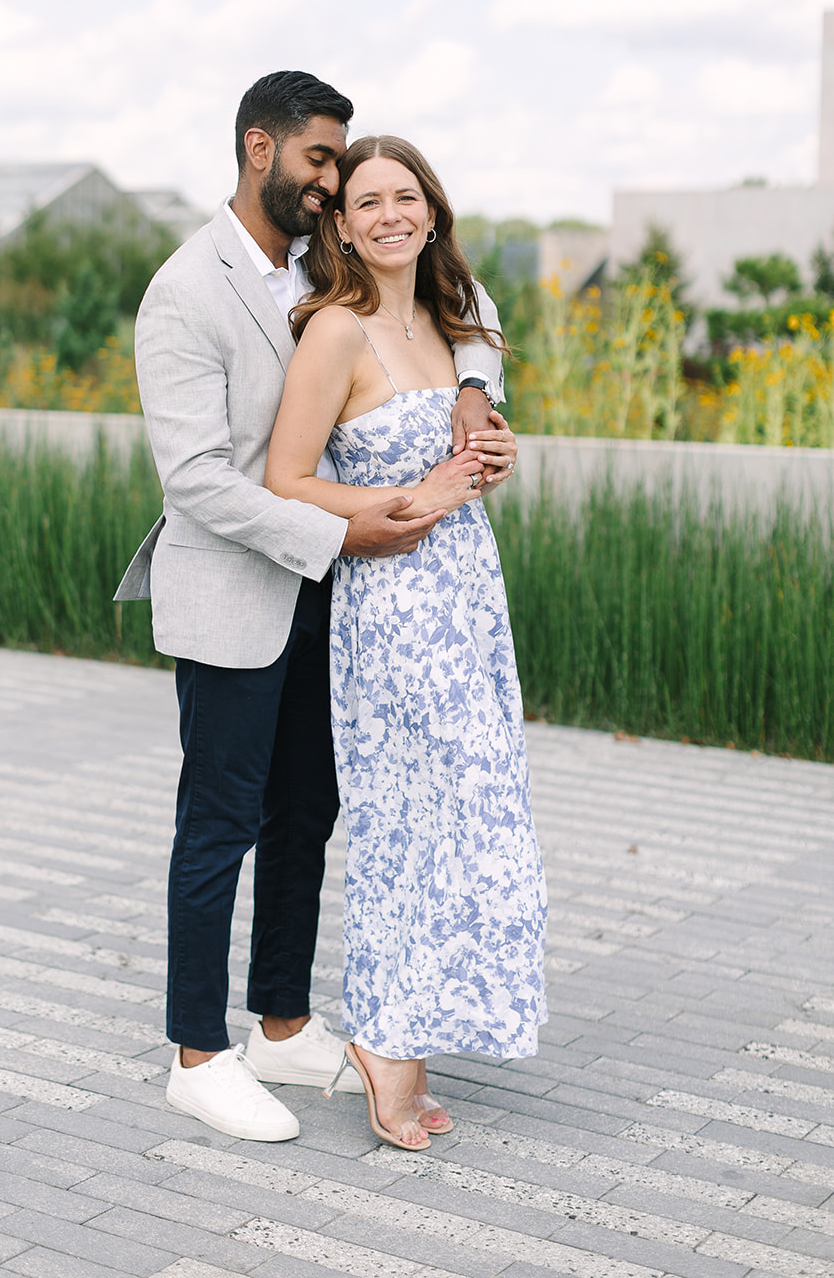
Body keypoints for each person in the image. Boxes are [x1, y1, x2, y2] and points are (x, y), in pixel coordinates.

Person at [116, 74, 512, 1143]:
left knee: (306, 814)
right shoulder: (183, 291)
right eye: (320, 161)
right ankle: (196, 1054)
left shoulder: (312, 260)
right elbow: (195, 479)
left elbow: (440, 301)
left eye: (339, 163)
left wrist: (477, 391)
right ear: (261, 150)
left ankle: (282, 1023)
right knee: (219, 821)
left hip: (327, 600)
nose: (334, 182)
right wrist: (341, 530)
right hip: (240, 586)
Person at [265, 134, 546, 1150]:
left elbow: (467, 445)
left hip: (468, 602)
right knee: (404, 828)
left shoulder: (450, 325)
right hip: (389, 611)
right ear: (340, 223)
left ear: (429, 212)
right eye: (366, 199)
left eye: (405, 196)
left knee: (470, 823)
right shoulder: (334, 334)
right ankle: (384, 1042)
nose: (387, 213)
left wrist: (488, 456)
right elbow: (285, 482)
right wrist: (408, 495)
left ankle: (404, 1037)